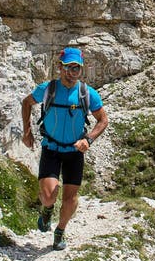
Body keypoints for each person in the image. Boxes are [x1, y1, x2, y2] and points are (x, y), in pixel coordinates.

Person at [21, 46, 108, 250]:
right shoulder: (47, 89)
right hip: (51, 148)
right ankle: (47, 210)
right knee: (49, 196)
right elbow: (26, 103)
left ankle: (60, 231)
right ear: (60, 67)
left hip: (74, 152)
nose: (72, 72)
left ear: (81, 70)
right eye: (68, 67)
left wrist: (88, 140)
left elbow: (103, 120)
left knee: (70, 199)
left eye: (76, 68)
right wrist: (27, 132)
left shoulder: (87, 94)